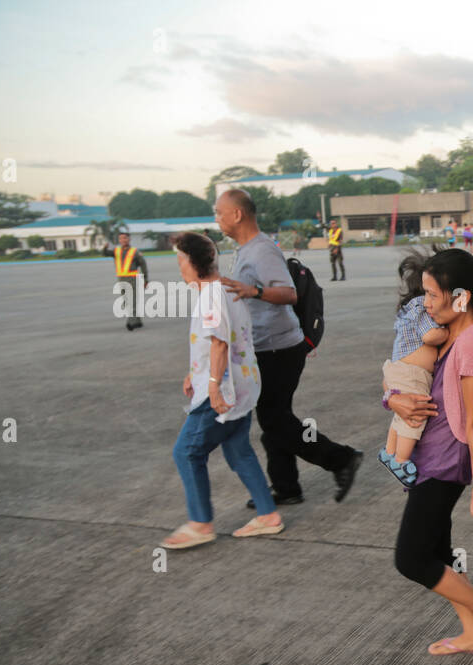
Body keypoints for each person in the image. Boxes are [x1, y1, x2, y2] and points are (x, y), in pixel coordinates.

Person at [386, 248, 473, 665]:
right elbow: (408, 375)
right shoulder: (448, 334)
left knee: (411, 558)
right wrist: (394, 399)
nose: (425, 302)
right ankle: (472, 630)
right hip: (429, 459)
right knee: (437, 550)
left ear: (458, 296)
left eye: (431, 293)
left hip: (446, 464)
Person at [213, 188, 363, 509]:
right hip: (267, 348)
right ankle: (286, 486)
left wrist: (252, 290)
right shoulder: (247, 250)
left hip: (279, 350)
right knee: (274, 419)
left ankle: (341, 459)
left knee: (277, 421)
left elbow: (288, 293)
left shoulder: (261, 250)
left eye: (219, 213)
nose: (217, 219)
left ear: (237, 214)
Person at [164, 232, 283, 549]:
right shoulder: (226, 289)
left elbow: (219, 343)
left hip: (225, 387)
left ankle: (200, 523)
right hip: (243, 383)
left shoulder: (212, 296)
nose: (179, 268)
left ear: (193, 262)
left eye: (180, 261)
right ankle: (268, 515)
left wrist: (213, 386)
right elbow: (216, 340)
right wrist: (194, 372)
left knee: (186, 452)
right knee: (238, 449)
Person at [379, 251, 449, 485]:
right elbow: (429, 336)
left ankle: (389, 453)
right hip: (411, 373)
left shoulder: (410, 307)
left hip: (399, 370)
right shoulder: (421, 305)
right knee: (414, 418)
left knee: (401, 416)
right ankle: (400, 460)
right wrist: (445, 333)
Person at [102, 227, 147, 330]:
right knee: (127, 301)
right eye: (121, 238)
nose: (123, 240)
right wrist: (104, 248)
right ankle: (138, 321)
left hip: (133, 279)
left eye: (125, 238)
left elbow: (143, 265)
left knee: (132, 301)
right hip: (121, 279)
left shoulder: (135, 252)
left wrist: (145, 279)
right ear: (119, 240)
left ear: (129, 239)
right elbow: (105, 254)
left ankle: (132, 323)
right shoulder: (116, 251)